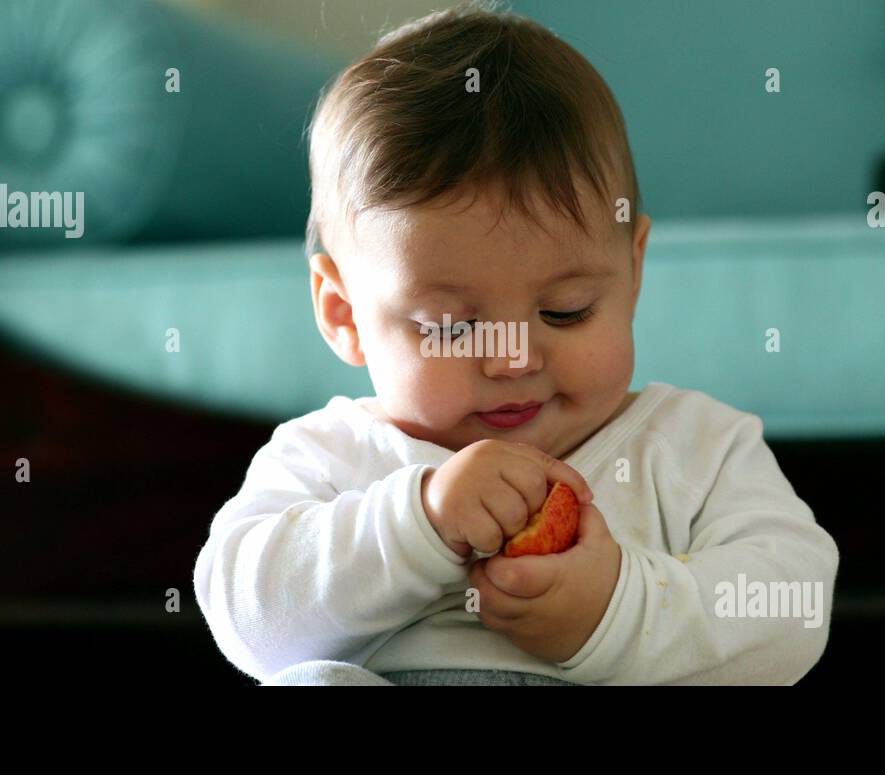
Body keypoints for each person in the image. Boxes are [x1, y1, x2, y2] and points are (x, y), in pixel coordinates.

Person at [193, 1, 839, 686]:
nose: (513, 358)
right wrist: (417, 524)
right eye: (449, 325)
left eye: (566, 311)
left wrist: (618, 608)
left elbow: (792, 611)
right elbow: (245, 620)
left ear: (633, 272)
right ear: (344, 312)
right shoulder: (328, 457)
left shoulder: (696, 447)